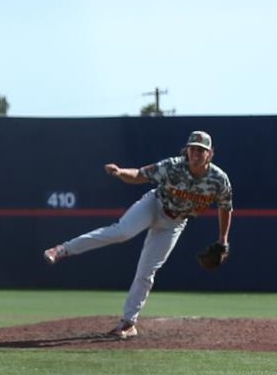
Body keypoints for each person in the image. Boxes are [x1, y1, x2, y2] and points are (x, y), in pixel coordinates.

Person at [43, 129, 234, 339]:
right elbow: (140, 175)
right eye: (192, 149)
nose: (196, 154)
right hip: (154, 205)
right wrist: (120, 172)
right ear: (186, 151)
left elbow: (225, 207)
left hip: (175, 223)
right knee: (122, 232)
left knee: (147, 272)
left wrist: (223, 240)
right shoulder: (173, 166)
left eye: (201, 150)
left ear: (210, 154)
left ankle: (128, 324)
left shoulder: (219, 179)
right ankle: (62, 249)